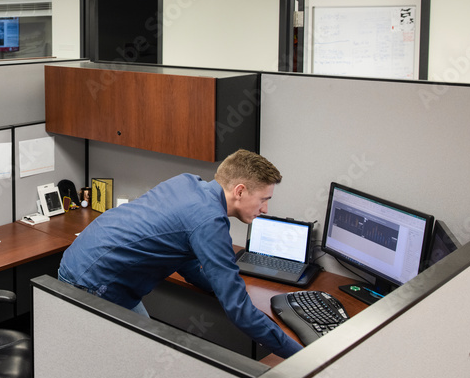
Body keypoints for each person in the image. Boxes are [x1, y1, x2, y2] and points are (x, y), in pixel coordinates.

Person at [57, 149, 302, 358]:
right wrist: (300, 358)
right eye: (263, 199)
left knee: (141, 351)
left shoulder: (187, 183)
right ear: (239, 191)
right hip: (93, 282)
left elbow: (185, 260)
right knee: (135, 360)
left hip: (82, 259)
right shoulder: (209, 221)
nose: (265, 208)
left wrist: (222, 287)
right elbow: (239, 311)